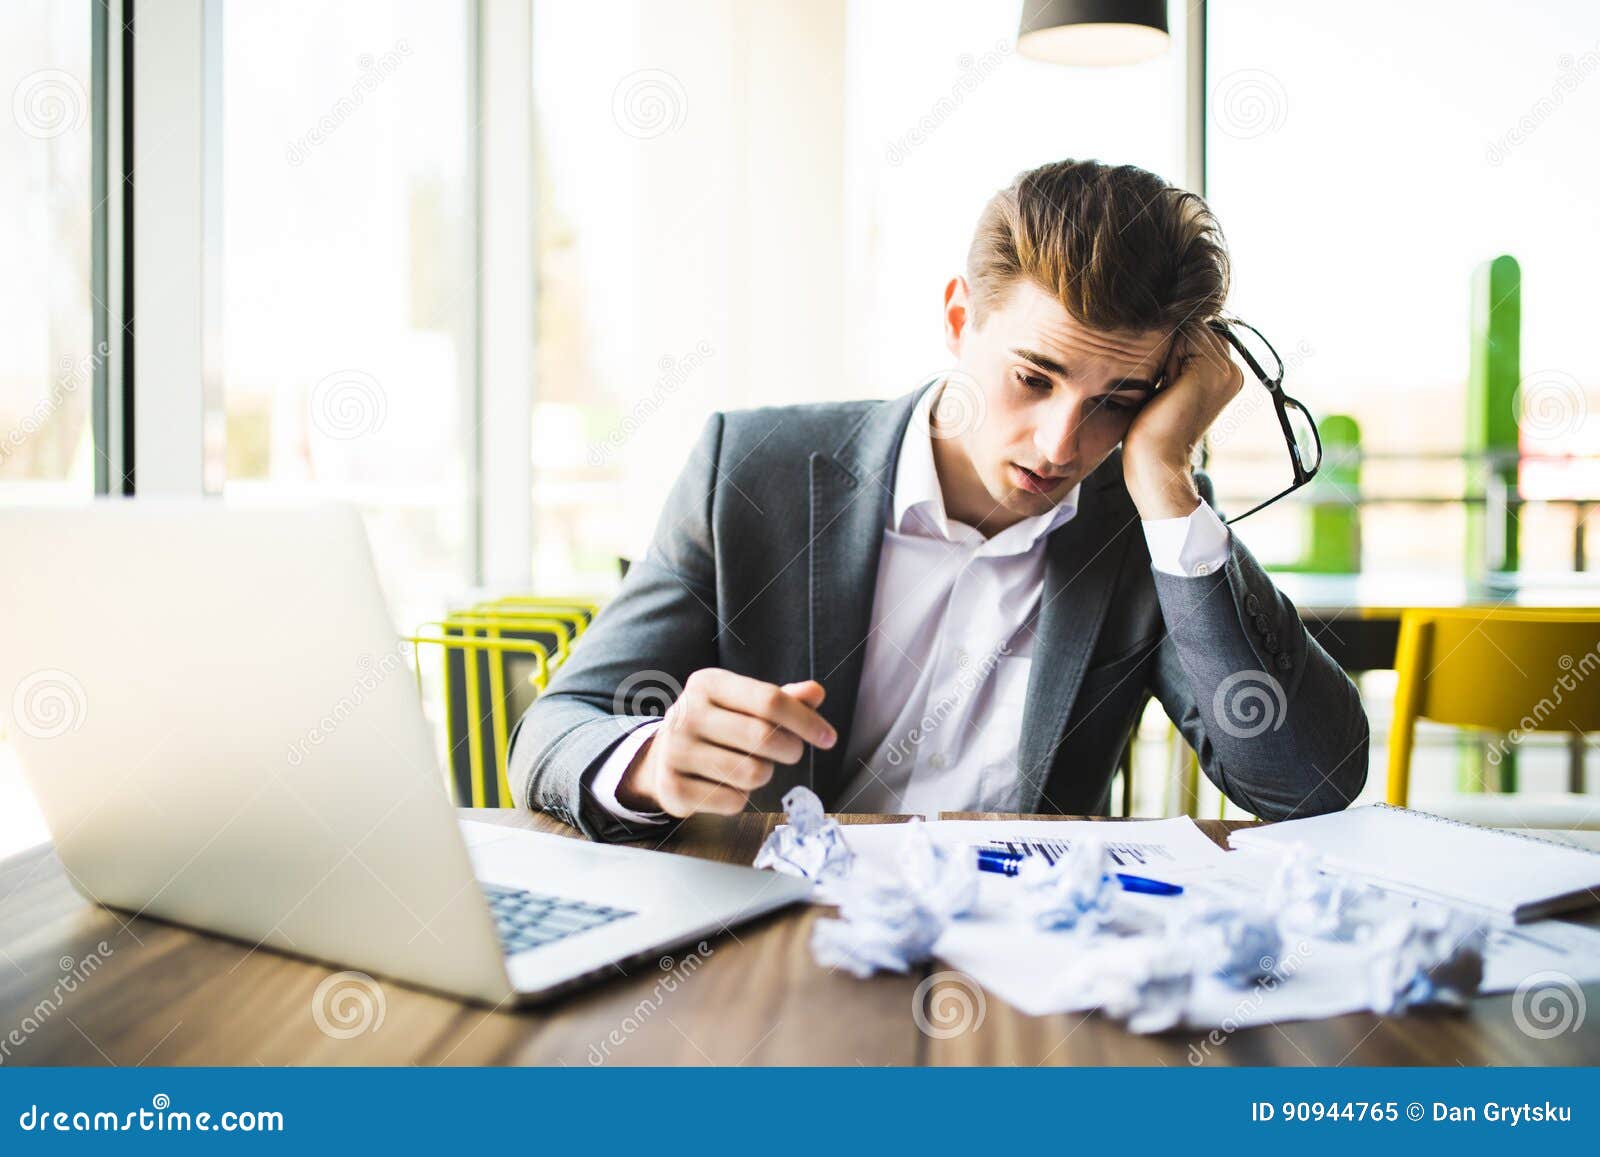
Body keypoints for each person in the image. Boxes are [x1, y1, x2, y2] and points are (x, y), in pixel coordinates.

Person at [508, 158, 1369, 842]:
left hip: (1024, 961)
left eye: (1116, 401)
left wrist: (1166, 480)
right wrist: (651, 761)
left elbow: (1309, 784)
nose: (1060, 445)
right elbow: (558, 728)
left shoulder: (1145, 523)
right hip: (772, 930)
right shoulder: (752, 469)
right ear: (960, 320)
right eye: (1034, 378)